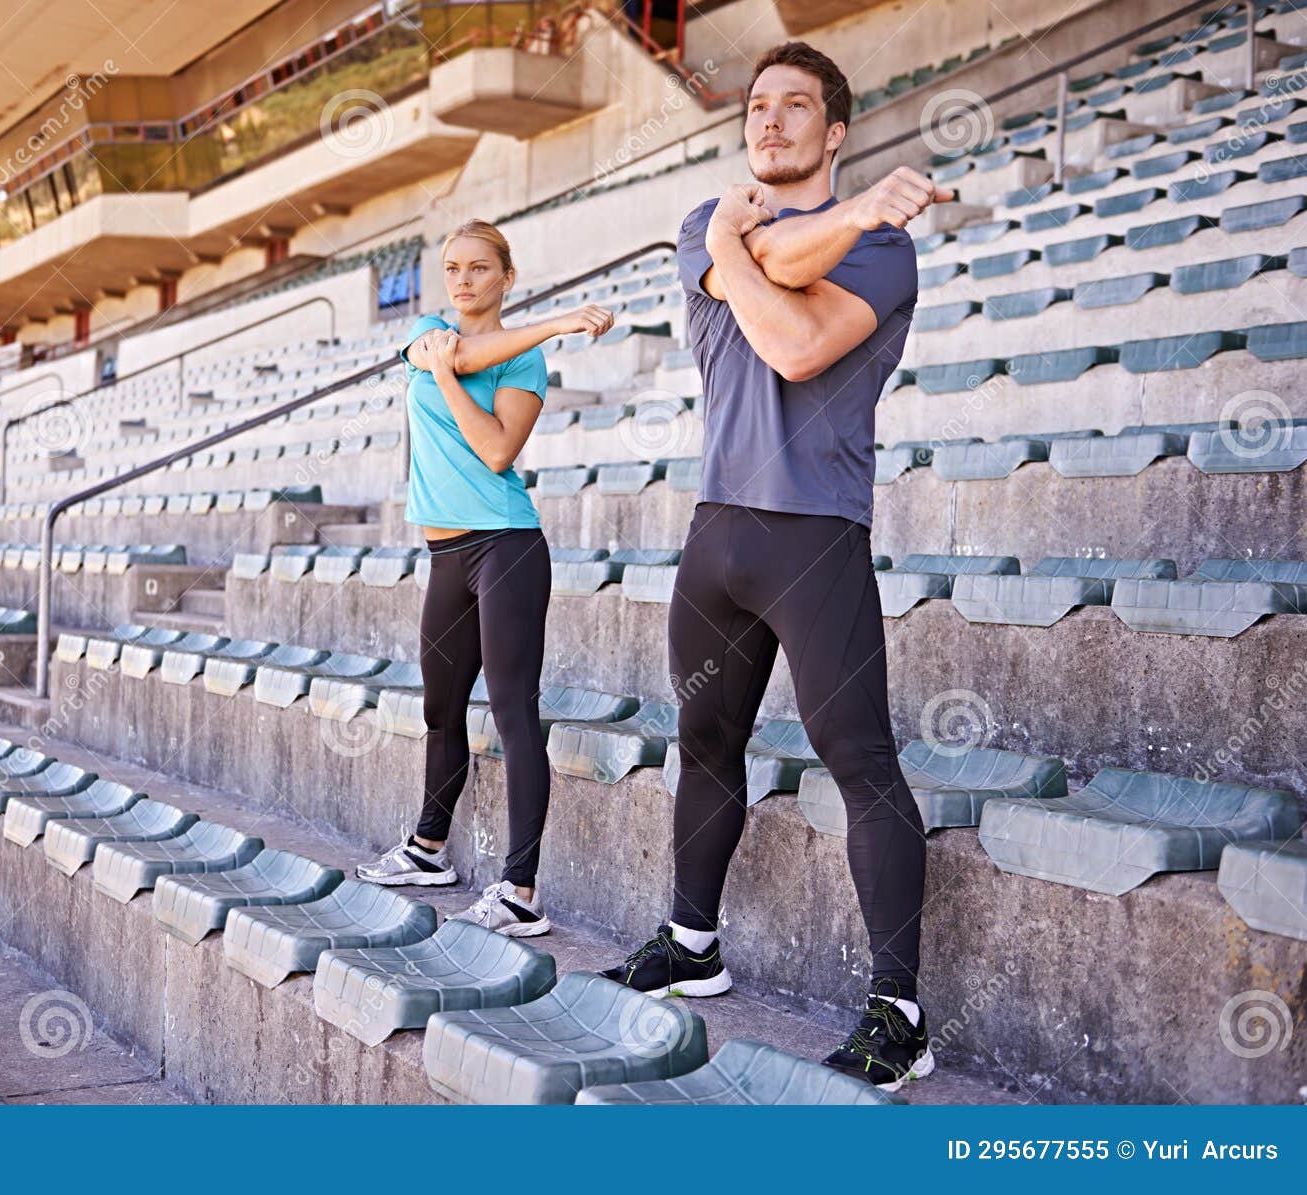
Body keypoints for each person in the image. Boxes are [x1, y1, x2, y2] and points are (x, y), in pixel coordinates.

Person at [598, 41, 953, 1091]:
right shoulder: (705, 225)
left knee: (859, 760)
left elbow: (796, 346)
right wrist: (758, 236)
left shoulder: (882, 253)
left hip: (813, 533)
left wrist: (742, 246)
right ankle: (692, 940)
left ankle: (899, 1011)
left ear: (834, 130)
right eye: (758, 105)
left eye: (797, 107)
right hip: (718, 534)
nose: (772, 120)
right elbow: (780, 284)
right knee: (703, 739)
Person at [357, 219, 613, 938]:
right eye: (452, 267)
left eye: (479, 267)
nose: (463, 279)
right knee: (441, 709)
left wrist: (452, 371)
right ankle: (429, 848)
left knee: (512, 712)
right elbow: (457, 354)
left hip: (506, 547)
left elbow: (497, 450)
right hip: (445, 556)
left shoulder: (524, 364)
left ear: (506, 276)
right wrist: (553, 323)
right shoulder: (430, 334)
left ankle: (521, 889)